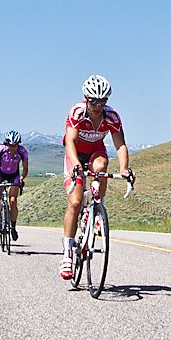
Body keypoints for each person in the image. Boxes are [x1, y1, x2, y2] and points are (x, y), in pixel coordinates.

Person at [59, 74, 132, 280]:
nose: (98, 106)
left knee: (101, 166)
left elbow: (120, 144)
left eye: (103, 101)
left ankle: (98, 208)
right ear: (86, 98)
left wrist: (125, 168)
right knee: (74, 203)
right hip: (74, 154)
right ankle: (66, 253)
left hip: (95, 152)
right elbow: (70, 142)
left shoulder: (112, 117)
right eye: (94, 101)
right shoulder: (77, 112)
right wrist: (75, 167)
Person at [0, 130, 29, 241]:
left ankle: (13, 227)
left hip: (14, 175)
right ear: (6, 144)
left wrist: (21, 179)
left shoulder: (22, 152)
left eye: (15, 145)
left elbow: (25, 170)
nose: (13, 148)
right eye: (10, 145)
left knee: (13, 201)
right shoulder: (1, 150)